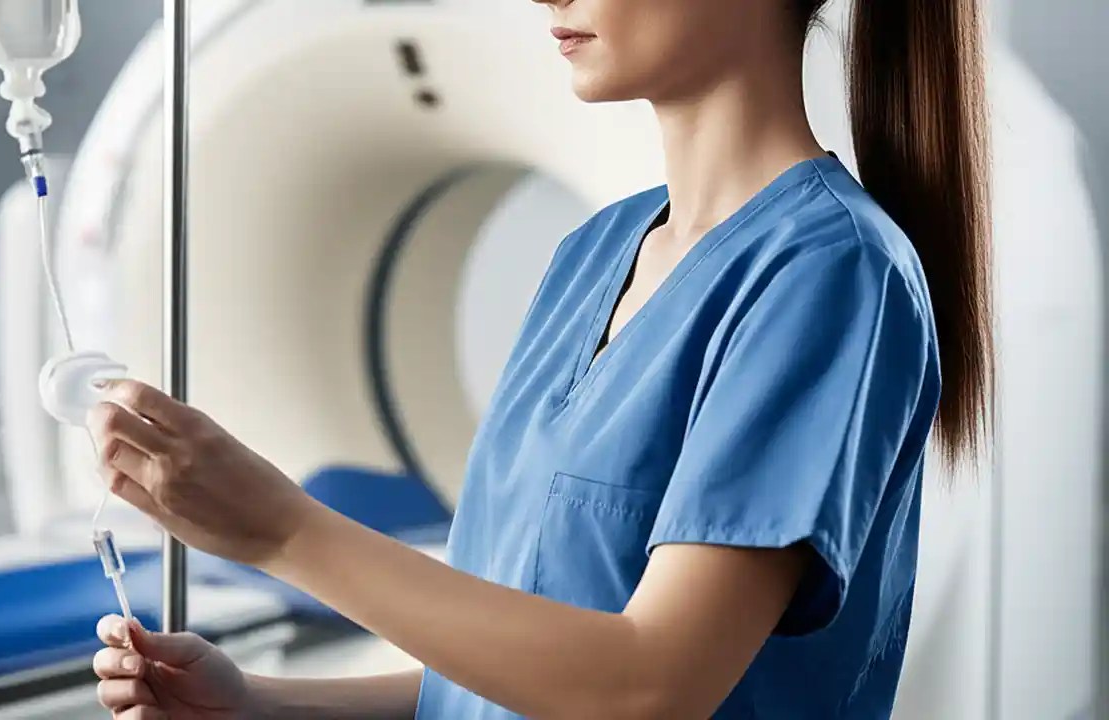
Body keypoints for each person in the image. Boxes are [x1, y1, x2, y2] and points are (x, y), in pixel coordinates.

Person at [88, 0, 992, 717]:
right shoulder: (593, 255)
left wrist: (282, 531)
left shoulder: (829, 275)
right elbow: (513, 677)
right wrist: (262, 705)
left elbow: (647, 686)